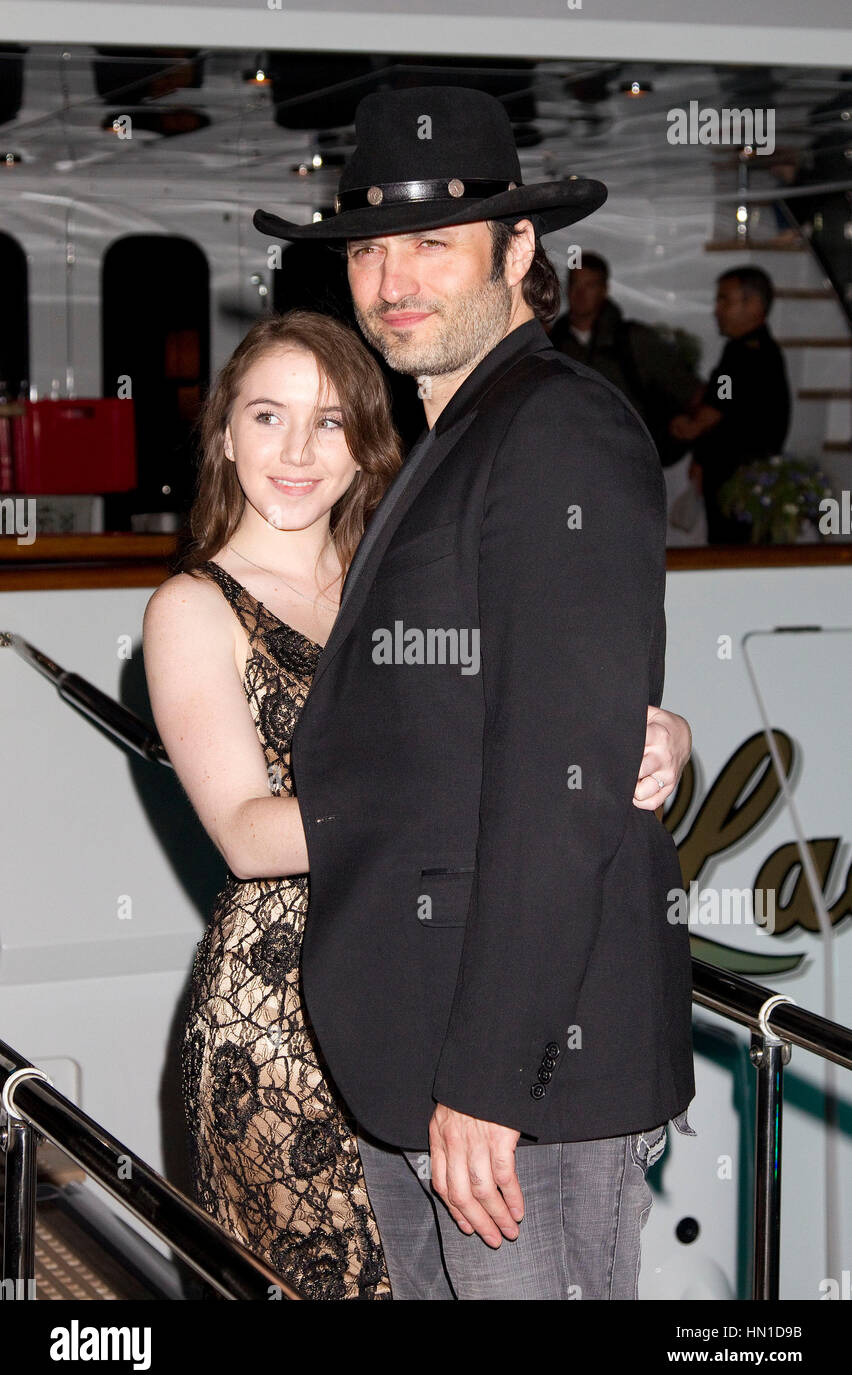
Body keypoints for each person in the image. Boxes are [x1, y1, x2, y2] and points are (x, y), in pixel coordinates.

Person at [142, 308, 692, 1301]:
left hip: (428, 998)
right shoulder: (193, 606)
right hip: (281, 1023)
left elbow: (544, 695)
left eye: (330, 421)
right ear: (223, 432)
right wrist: (484, 796)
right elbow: (246, 833)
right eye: (268, 417)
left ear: (368, 438)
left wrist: (660, 734)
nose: (298, 451)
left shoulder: (395, 571)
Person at [252, 85, 696, 1301]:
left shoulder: (557, 432)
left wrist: (491, 1079)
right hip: (429, 1051)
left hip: (522, 1074)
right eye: (370, 246)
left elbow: (554, 791)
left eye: (432, 242)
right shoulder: (450, 440)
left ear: (517, 251)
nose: (393, 275)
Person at [670, 266, 791, 543]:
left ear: (753, 305)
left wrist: (684, 426)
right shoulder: (759, 350)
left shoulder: (743, 354)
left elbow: (716, 408)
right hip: (747, 486)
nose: (717, 309)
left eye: (725, 300)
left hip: (738, 488)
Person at [551, 252, 701, 466]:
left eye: (590, 285)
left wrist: (701, 453)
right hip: (570, 460)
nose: (580, 293)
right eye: (575, 284)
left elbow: (690, 390)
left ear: (604, 291)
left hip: (629, 460)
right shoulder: (553, 344)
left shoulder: (633, 339)